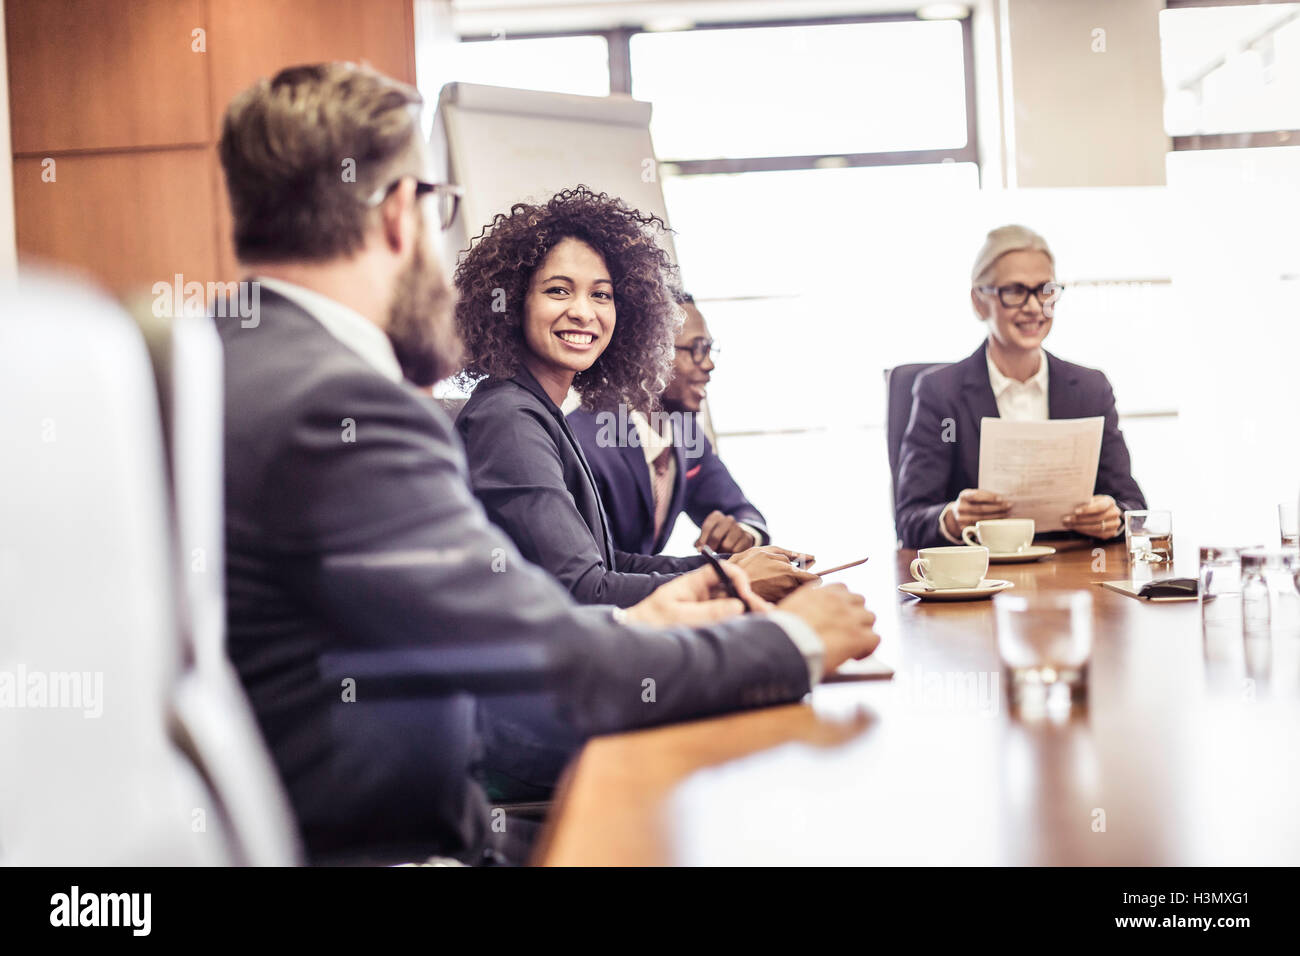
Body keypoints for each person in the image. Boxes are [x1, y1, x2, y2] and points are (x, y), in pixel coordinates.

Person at [215, 63, 880, 862]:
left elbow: (494, 618)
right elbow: (552, 666)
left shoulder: (218, 359)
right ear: (399, 212)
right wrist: (794, 642)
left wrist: (641, 612)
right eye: (436, 204)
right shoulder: (344, 407)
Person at [454, 187, 815, 606]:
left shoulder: (536, 408)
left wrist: (737, 566)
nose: (584, 312)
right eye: (558, 290)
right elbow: (583, 590)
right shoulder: (509, 420)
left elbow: (608, 565)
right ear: (513, 304)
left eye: (601, 295)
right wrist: (732, 581)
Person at [894, 224, 1146, 550]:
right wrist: (954, 517)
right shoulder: (941, 394)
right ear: (979, 301)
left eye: (1045, 290)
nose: (1033, 306)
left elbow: (1133, 505)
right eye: (1014, 291)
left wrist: (1112, 516)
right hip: (981, 581)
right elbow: (910, 519)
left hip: (1077, 577)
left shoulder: (1090, 389)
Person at [568, 292, 771, 557]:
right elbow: (597, 569)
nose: (709, 364)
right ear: (647, 354)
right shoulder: (582, 442)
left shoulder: (687, 434)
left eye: (710, 349)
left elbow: (742, 511)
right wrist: (703, 577)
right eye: (697, 349)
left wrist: (743, 534)